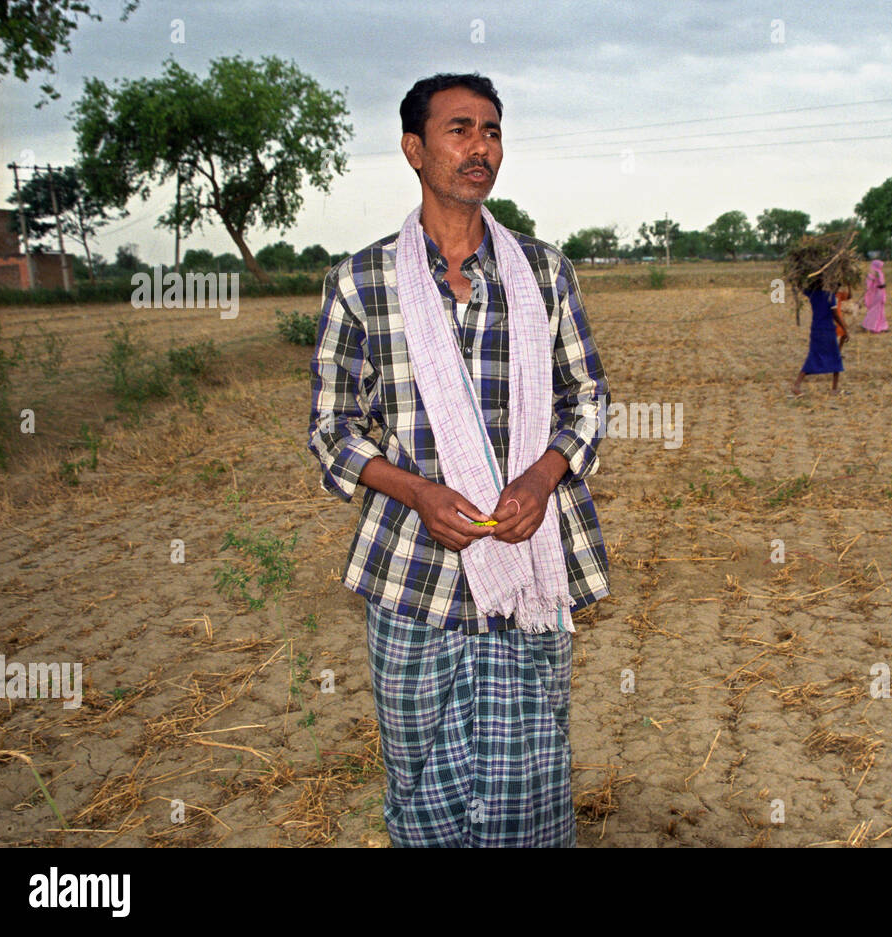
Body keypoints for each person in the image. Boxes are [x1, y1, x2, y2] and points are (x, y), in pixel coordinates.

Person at [307, 73, 610, 848]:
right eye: (460, 129)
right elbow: (333, 428)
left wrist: (542, 479)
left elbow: (587, 401)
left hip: (529, 565)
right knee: (419, 783)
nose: (481, 147)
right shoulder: (363, 281)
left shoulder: (541, 272)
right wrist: (416, 492)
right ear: (414, 148)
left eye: (493, 131)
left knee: (532, 778)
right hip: (412, 574)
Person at [790, 278, 849, 396]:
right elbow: (835, 315)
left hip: (815, 330)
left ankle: (797, 385)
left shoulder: (813, 294)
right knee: (836, 357)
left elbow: (801, 287)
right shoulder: (830, 297)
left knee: (813, 355)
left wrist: (797, 278)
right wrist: (845, 329)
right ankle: (834, 389)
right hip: (827, 330)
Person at [861, 259, 889, 332]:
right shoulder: (875, 273)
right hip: (878, 293)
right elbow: (870, 284)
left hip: (880, 292)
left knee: (880, 310)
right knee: (875, 310)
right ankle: (869, 326)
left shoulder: (878, 273)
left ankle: (881, 327)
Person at [835, 285, 852, 350]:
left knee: (844, 334)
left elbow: (849, 296)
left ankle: (838, 352)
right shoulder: (828, 295)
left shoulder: (839, 294)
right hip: (832, 318)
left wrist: (848, 285)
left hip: (838, 317)